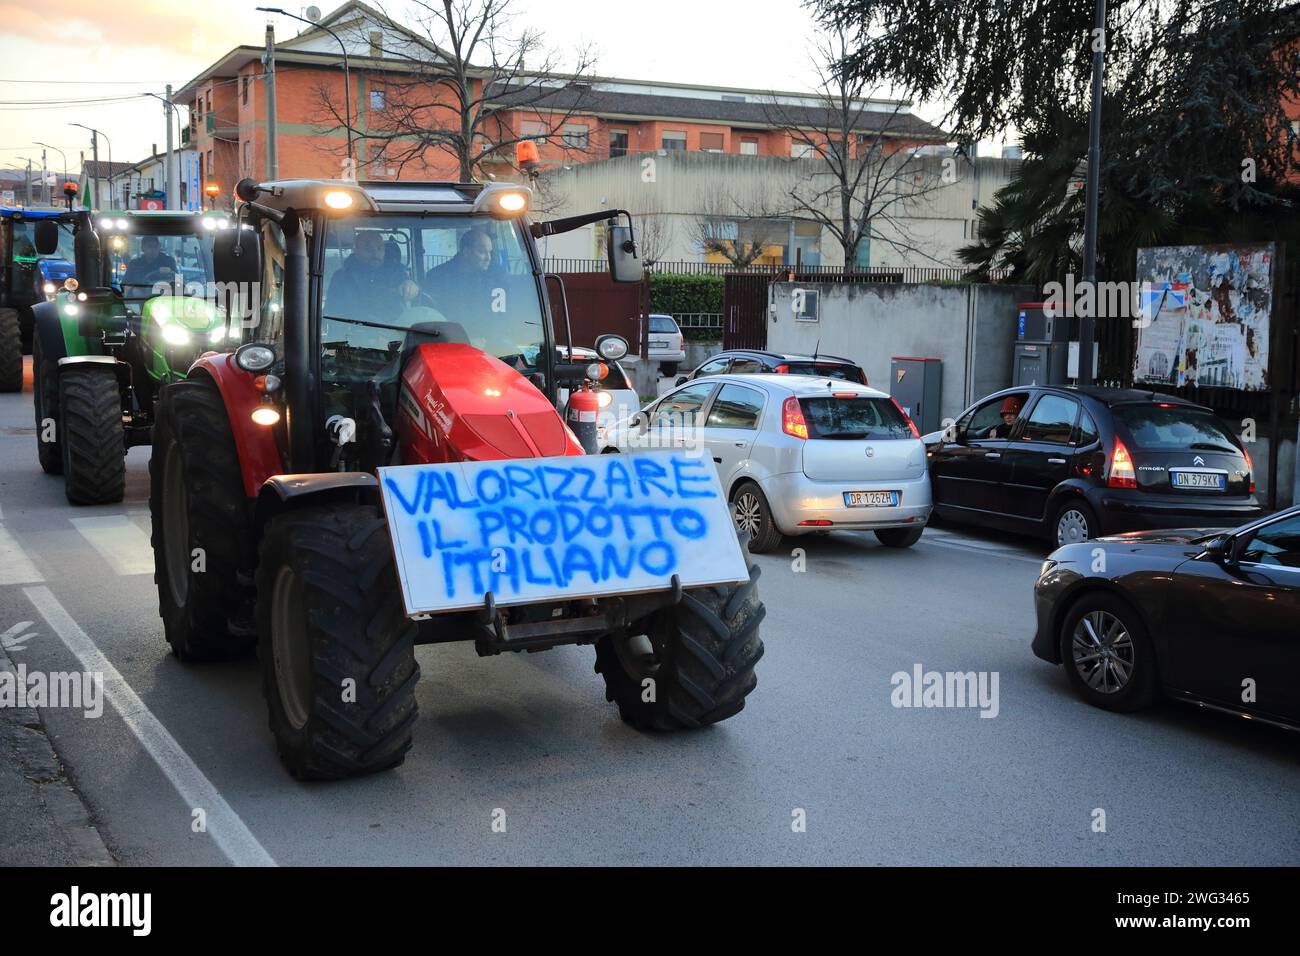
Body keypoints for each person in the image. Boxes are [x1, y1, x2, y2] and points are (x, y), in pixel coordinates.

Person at [325, 230, 414, 320]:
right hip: (352, 331)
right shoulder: (341, 278)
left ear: (384, 250)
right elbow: (331, 313)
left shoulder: (398, 274)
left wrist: (414, 289)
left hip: (396, 330)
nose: (375, 253)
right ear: (356, 251)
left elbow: (420, 300)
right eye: (368, 249)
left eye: (379, 248)